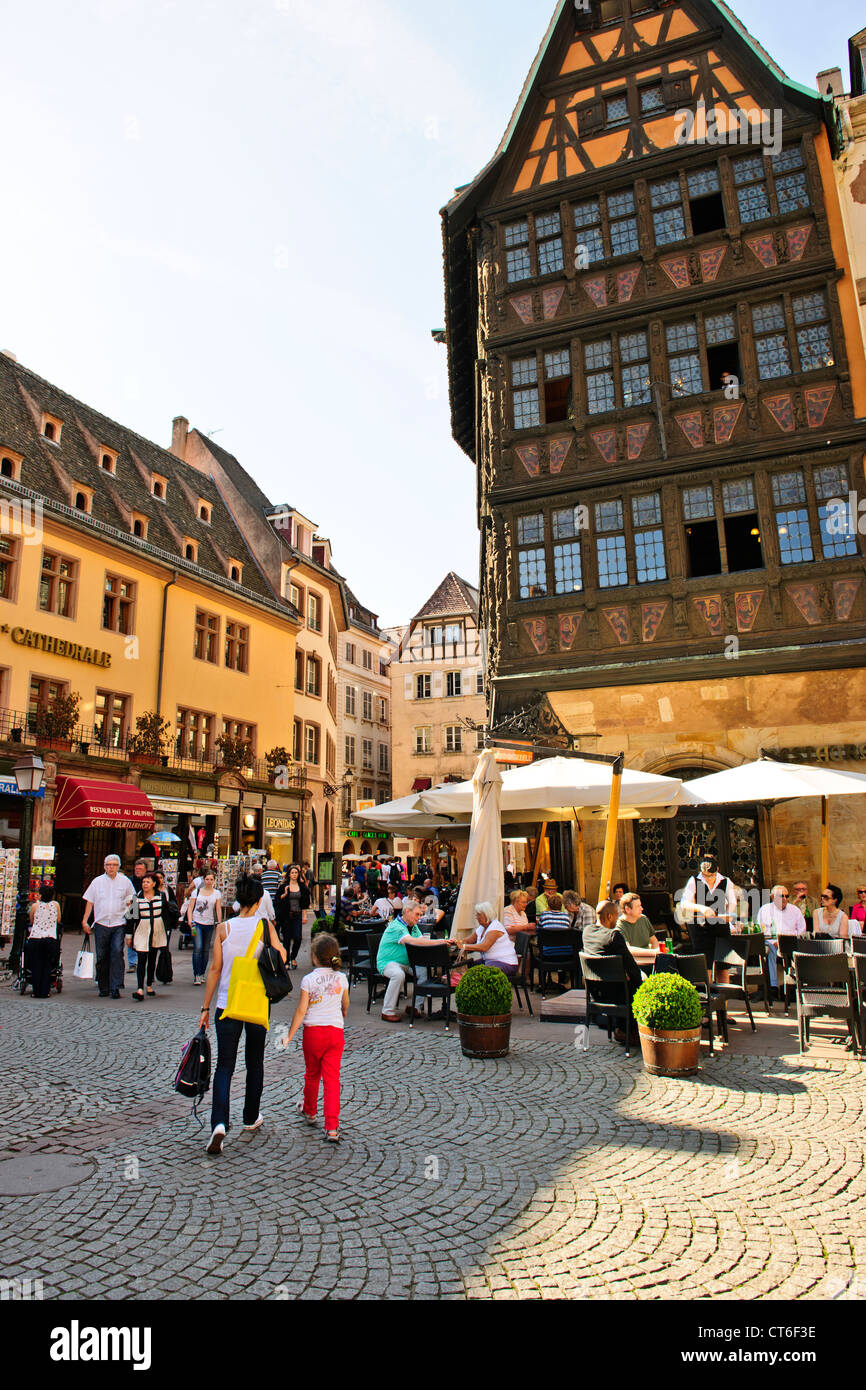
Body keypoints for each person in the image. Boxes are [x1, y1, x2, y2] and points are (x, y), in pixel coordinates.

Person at [200, 876, 287, 1155]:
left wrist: (205, 1008)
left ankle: (219, 1123)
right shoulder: (265, 927)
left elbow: (214, 970)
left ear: (238, 900)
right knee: (255, 1062)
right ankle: (250, 1116)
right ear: (260, 900)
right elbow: (282, 957)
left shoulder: (223, 928)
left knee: (224, 1066)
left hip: (227, 1004)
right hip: (256, 1003)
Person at [284, 933, 349, 1143]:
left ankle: (310, 1110)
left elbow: (301, 1010)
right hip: (334, 1032)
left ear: (314, 957)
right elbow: (345, 1004)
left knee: (312, 1074)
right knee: (332, 1080)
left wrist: (289, 1036)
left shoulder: (309, 980)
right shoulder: (342, 978)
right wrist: (342, 1014)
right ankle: (332, 1126)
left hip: (313, 1032)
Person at [582, 899, 645, 1044]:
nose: (617, 918)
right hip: (617, 994)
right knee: (640, 983)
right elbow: (633, 969)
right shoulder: (614, 936)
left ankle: (622, 1029)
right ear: (610, 916)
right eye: (616, 915)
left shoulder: (587, 933)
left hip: (595, 991)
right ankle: (630, 1031)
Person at [376, 899, 442, 1023]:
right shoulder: (396, 926)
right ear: (407, 912)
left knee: (423, 972)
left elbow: (423, 941)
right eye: (417, 914)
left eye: (420, 914)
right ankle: (387, 1011)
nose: (419, 917)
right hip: (388, 962)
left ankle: (416, 1007)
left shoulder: (413, 926)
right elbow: (414, 941)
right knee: (398, 975)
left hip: (406, 963)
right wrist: (441, 942)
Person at [82, 854, 136, 999]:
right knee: (102, 956)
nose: (111, 867)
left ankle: (116, 986)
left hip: (119, 923)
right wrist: (85, 920)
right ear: (104, 866)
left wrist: (132, 925)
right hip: (101, 923)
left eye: (113, 865)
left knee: (117, 952)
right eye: (108, 865)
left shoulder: (125, 882)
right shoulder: (97, 882)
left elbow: (132, 901)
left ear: (118, 867)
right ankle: (103, 985)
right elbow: (90, 901)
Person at [678, 854, 739, 970]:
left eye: (711, 876)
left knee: (723, 966)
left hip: (720, 927)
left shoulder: (726, 881)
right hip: (701, 929)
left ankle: (724, 988)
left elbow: (733, 902)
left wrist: (727, 916)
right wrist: (702, 908)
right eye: (705, 876)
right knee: (706, 966)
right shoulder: (694, 880)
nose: (708, 879)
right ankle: (708, 988)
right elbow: (684, 903)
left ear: (717, 870)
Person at [755, 885, 806, 993]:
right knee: (771, 950)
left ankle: (793, 986)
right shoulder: (764, 910)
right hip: (771, 943)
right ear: (773, 897)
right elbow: (760, 930)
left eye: (786, 896)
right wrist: (775, 942)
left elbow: (802, 930)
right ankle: (773, 986)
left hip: (790, 942)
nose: (784, 899)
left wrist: (785, 941)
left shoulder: (795, 910)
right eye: (781, 896)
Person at [126, 873, 168, 1001]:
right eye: (144, 882)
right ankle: (140, 988)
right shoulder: (136, 897)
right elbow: (131, 918)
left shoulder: (161, 896)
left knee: (152, 959)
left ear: (154, 884)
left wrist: (167, 931)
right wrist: (129, 935)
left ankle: (149, 984)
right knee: (141, 960)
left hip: (156, 929)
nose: (145, 884)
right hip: (142, 930)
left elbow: (165, 914)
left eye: (148, 882)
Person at [458, 903, 518, 978]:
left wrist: (464, 946)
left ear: (487, 915)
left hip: (506, 963)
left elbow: (484, 947)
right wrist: (456, 942)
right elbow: (468, 940)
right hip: (491, 961)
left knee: (481, 972)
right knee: (470, 966)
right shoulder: (482, 927)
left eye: (479, 915)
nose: (477, 917)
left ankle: (483, 989)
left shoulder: (495, 926)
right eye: (477, 915)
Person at [187, 870, 223, 985]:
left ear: (214, 880)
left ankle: (202, 973)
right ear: (203, 880)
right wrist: (190, 920)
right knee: (198, 947)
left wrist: (219, 922)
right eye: (207, 879)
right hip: (196, 922)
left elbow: (218, 908)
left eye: (211, 879)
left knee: (206, 949)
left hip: (209, 923)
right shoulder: (196, 892)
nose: (209, 881)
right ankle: (196, 974)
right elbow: (190, 907)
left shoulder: (217, 893)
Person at [25, 883, 60, 997]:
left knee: (36, 964)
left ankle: (36, 991)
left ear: (40, 895)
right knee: (47, 965)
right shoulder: (56, 905)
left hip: (36, 937)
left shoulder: (35, 906)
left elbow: (31, 920)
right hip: (50, 938)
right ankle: (45, 991)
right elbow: (58, 920)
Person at [275, 864, 310, 968]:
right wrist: (285, 894)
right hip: (286, 915)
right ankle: (286, 960)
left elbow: (305, 902)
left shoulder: (302, 887)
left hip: (297, 915)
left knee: (297, 937)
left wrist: (305, 915)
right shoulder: (283, 886)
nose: (294, 875)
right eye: (292, 873)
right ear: (289, 875)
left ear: (298, 874)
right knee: (286, 939)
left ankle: (293, 956)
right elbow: (277, 900)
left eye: (296, 873)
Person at [126, 858, 148, 973]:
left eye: (140, 869)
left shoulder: (147, 881)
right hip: (132, 909)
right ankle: (132, 962)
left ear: (145, 870)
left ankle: (142, 960)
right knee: (130, 934)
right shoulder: (130, 881)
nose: (138, 871)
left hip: (144, 910)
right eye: (136, 869)